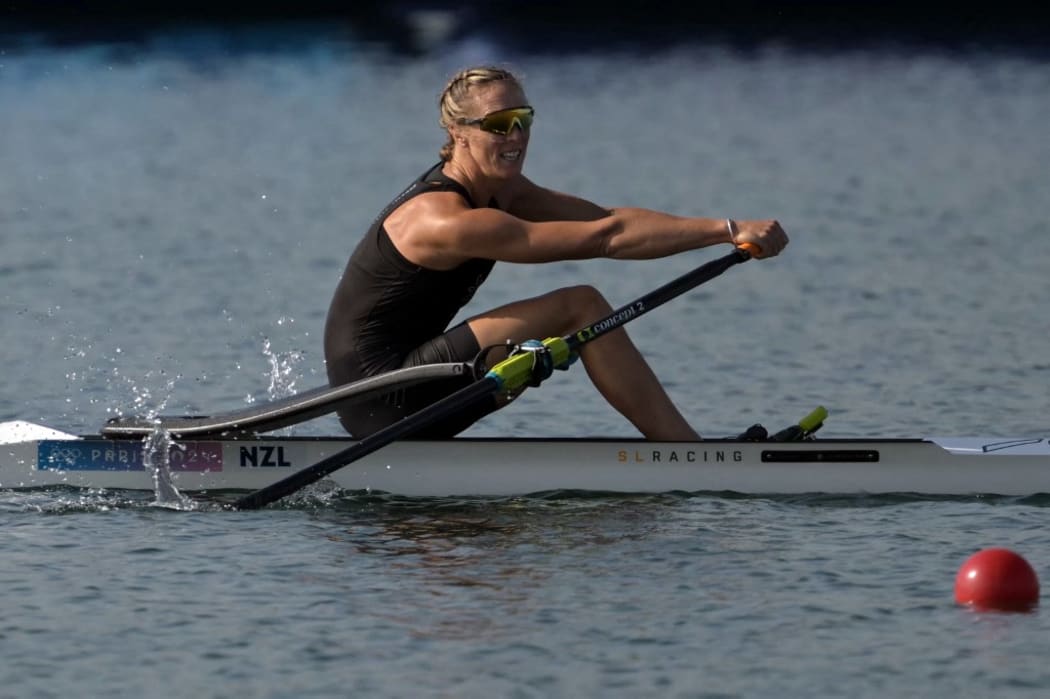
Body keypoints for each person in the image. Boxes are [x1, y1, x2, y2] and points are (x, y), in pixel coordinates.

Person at [324, 65, 788, 440]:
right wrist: (728, 231)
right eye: (499, 125)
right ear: (458, 132)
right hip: (382, 396)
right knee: (581, 305)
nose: (516, 136)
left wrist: (727, 229)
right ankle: (687, 453)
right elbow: (604, 240)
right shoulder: (447, 221)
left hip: (409, 380)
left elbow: (605, 218)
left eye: (523, 119)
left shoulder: (503, 190)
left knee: (544, 341)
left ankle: (680, 452)